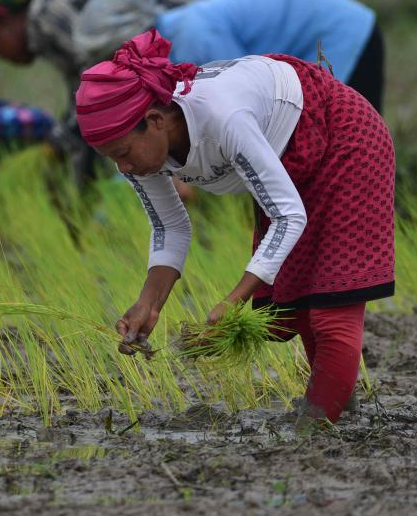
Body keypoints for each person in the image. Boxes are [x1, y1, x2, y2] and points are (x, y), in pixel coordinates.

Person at [75, 29, 395, 423]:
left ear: (155, 121)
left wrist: (232, 300)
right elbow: (171, 227)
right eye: (112, 159)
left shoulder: (224, 118)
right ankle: (334, 403)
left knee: (331, 300)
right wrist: (148, 304)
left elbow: (289, 216)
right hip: (289, 159)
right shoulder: (142, 154)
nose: (123, 168)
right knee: (295, 300)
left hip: (344, 139)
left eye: (123, 154)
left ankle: (317, 420)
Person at [0, 0, 212, 187]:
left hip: (189, 29)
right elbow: (82, 98)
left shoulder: (46, 13)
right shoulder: (50, 8)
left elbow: (97, 91)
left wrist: (60, 152)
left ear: (5, 22)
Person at [73, 0, 385, 113]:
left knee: (341, 152)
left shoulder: (194, 37)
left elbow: (244, 105)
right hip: (323, 31)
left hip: (338, 35)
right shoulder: (169, 49)